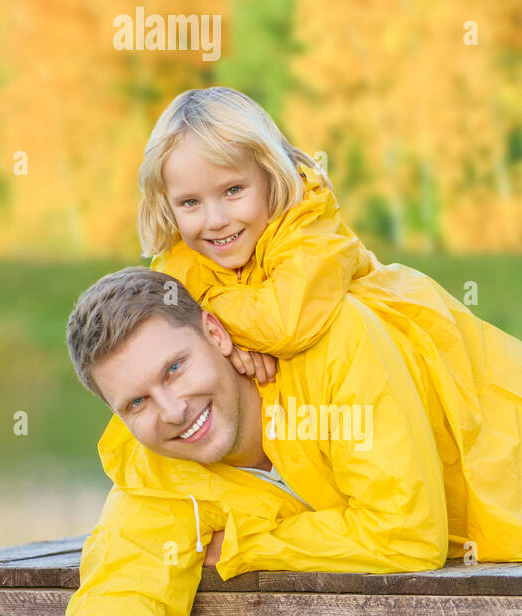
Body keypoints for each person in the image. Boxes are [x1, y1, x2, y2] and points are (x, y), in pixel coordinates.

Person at [59, 267, 465, 616]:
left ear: (215, 333)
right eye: (137, 403)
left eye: (175, 369)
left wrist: (250, 545)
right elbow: (123, 591)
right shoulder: (157, 477)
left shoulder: (332, 349)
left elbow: (406, 531)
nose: (173, 410)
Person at [139, 86, 522, 562]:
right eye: (189, 203)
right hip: (376, 420)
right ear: (166, 205)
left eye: (233, 191)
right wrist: (219, 331)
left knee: (497, 475)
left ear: (270, 176)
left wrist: (214, 315)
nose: (215, 220)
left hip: (447, 374)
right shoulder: (181, 265)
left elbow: (286, 322)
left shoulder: (309, 227)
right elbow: (163, 315)